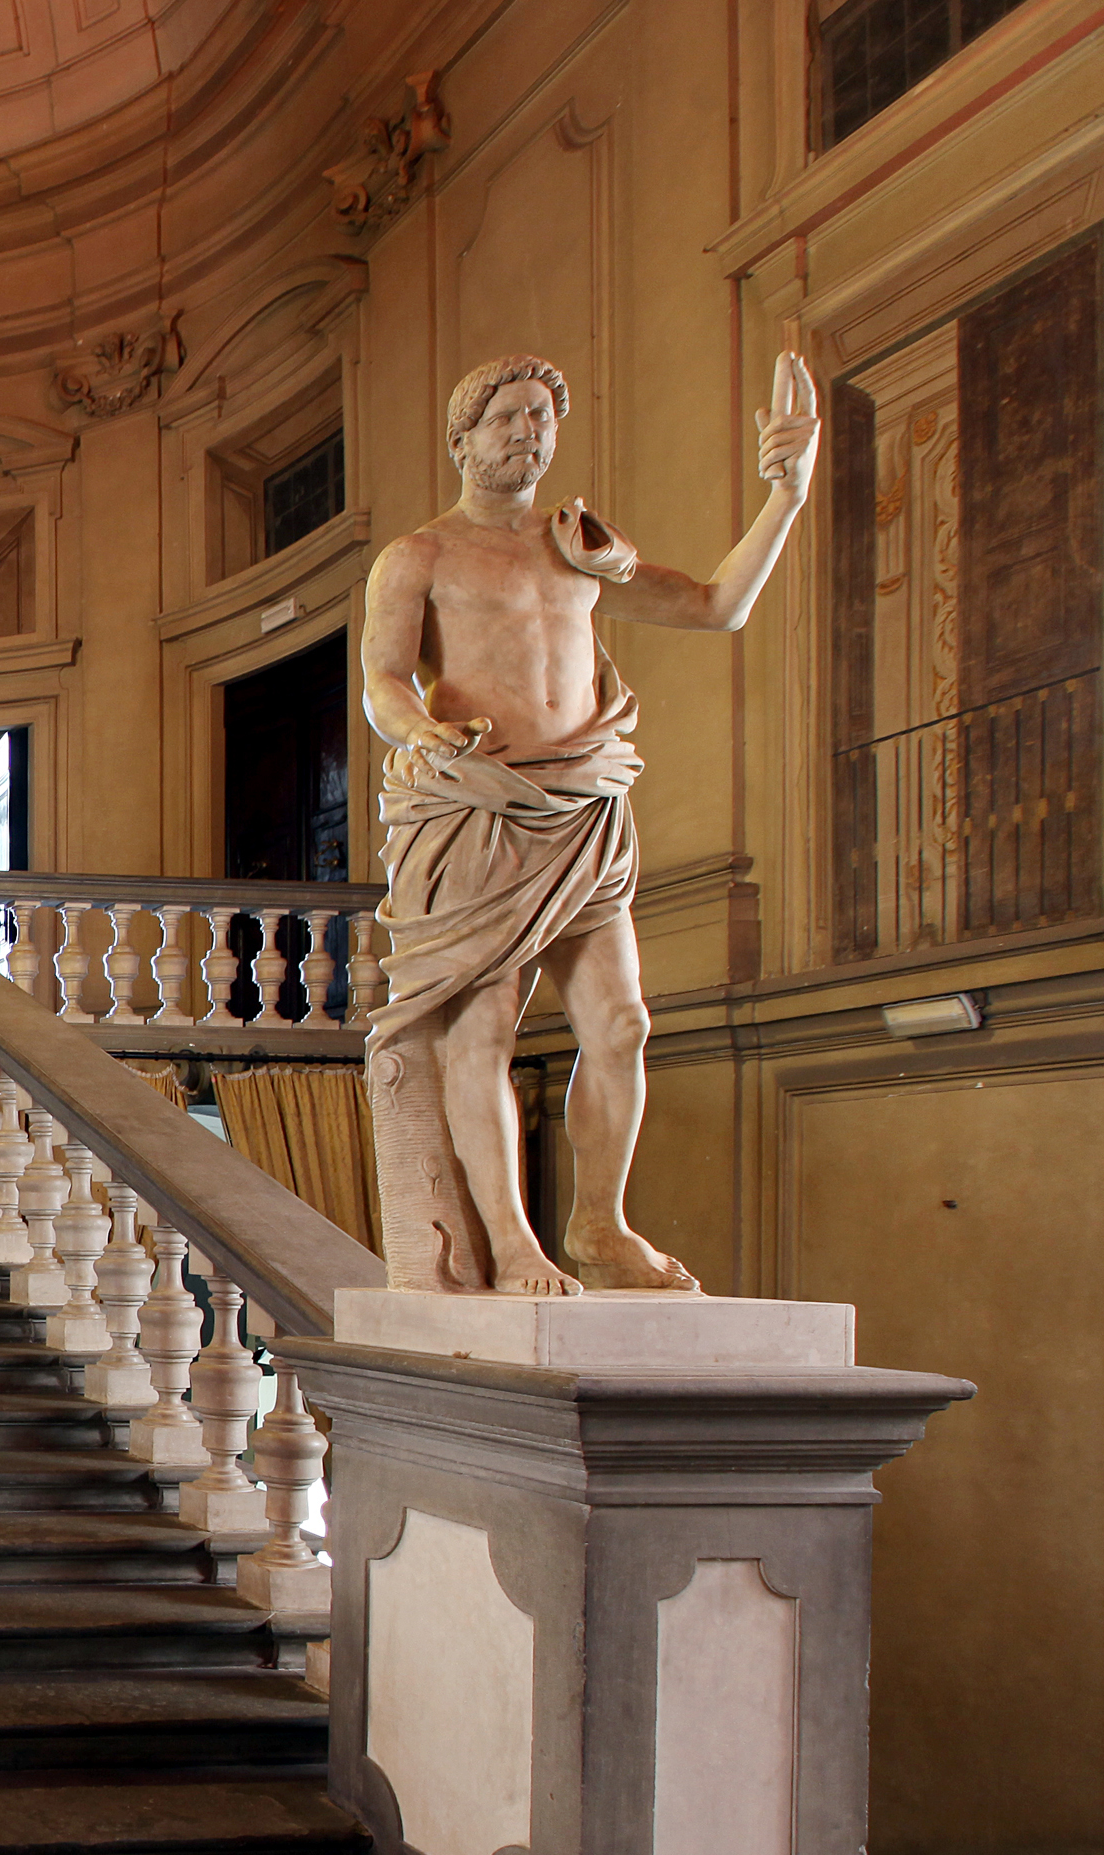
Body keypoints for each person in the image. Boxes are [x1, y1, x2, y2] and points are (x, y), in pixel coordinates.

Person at [358, 349, 819, 1293]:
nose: (530, 431)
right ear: (462, 438)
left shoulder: (578, 546)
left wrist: (788, 495)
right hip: (483, 807)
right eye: (509, 417)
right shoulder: (419, 556)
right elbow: (382, 679)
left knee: (621, 1025)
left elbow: (714, 606)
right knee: (481, 1029)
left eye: (543, 417)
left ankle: (600, 1227)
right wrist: (423, 733)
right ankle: (512, 1243)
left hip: (584, 806)